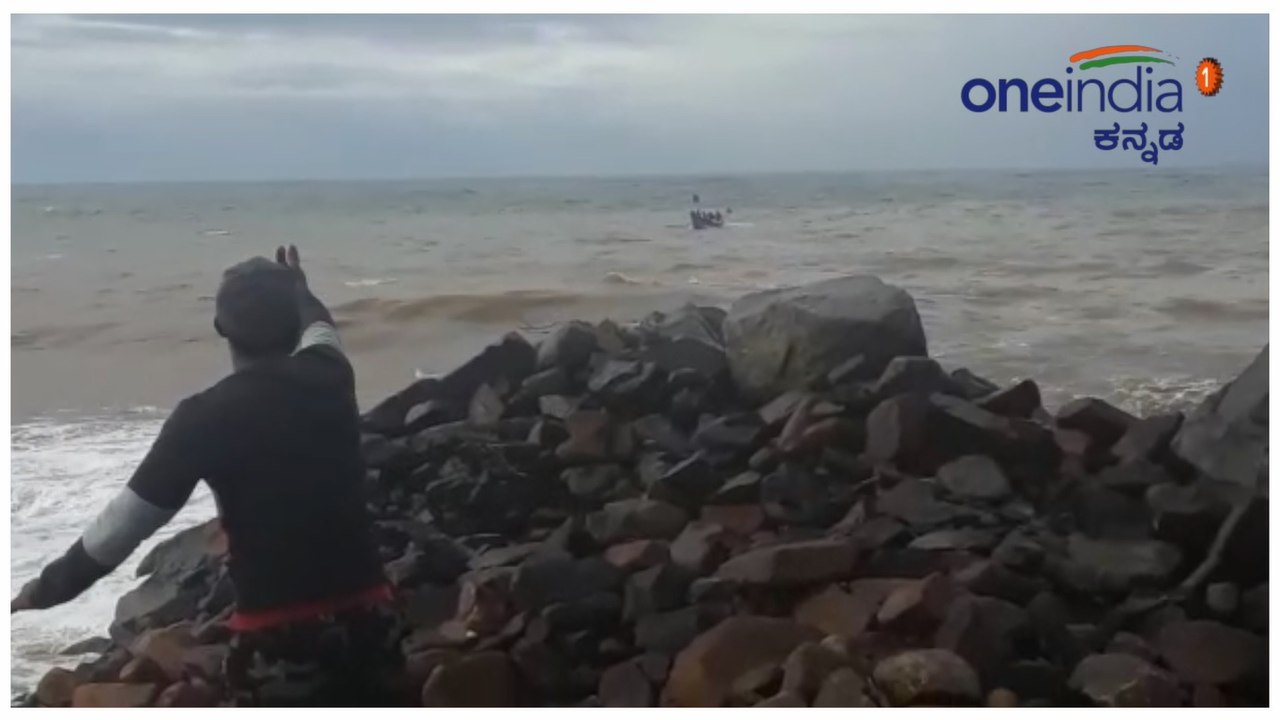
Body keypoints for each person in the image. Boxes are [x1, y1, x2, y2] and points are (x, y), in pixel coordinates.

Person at [11, 246, 405, 707]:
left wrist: (42, 592)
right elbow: (321, 326)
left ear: (220, 328)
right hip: (373, 618)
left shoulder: (202, 418)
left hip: (275, 635)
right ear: (296, 324)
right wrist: (301, 289)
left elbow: (120, 530)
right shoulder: (331, 373)